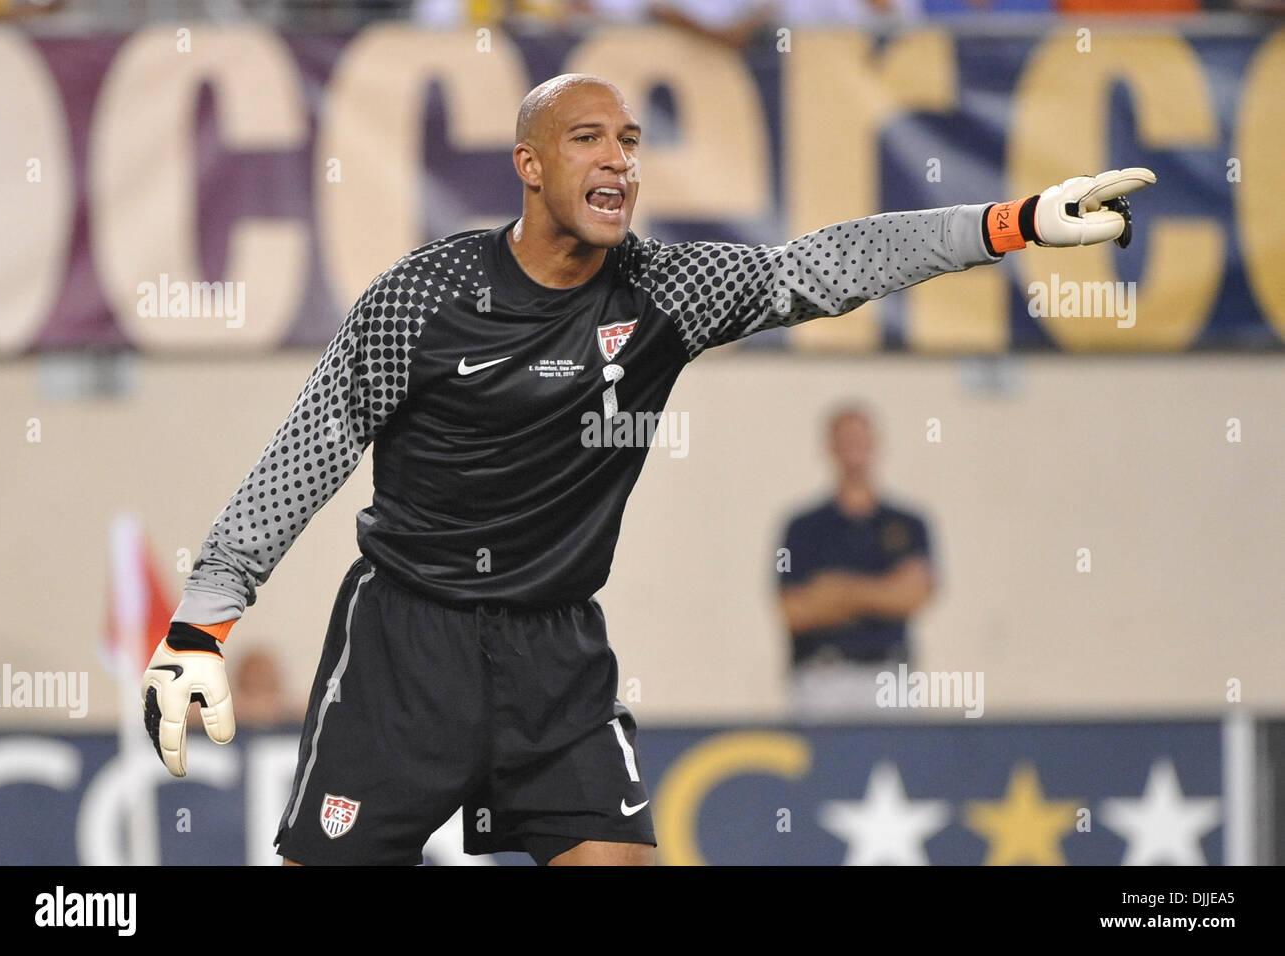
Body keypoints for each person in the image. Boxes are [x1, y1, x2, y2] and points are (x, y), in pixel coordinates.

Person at [139, 71, 1154, 866]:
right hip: (409, 639)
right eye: (587, 138)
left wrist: (1009, 223)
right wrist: (201, 620)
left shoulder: (666, 287)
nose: (618, 159)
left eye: (629, 140)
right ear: (529, 165)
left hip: (558, 647)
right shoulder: (424, 296)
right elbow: (306, 451)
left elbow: (825, 265)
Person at [777, 407, 933, 720]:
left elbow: (915, 596)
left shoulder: (907, 523)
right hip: (824, 676)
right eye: (845, 440)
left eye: (860, 439)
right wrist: (884, 592)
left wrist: (837, 590)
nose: (854, 449)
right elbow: (793, 610)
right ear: (830, 448)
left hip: (890, 678)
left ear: (876, 445)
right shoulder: (803, 527)